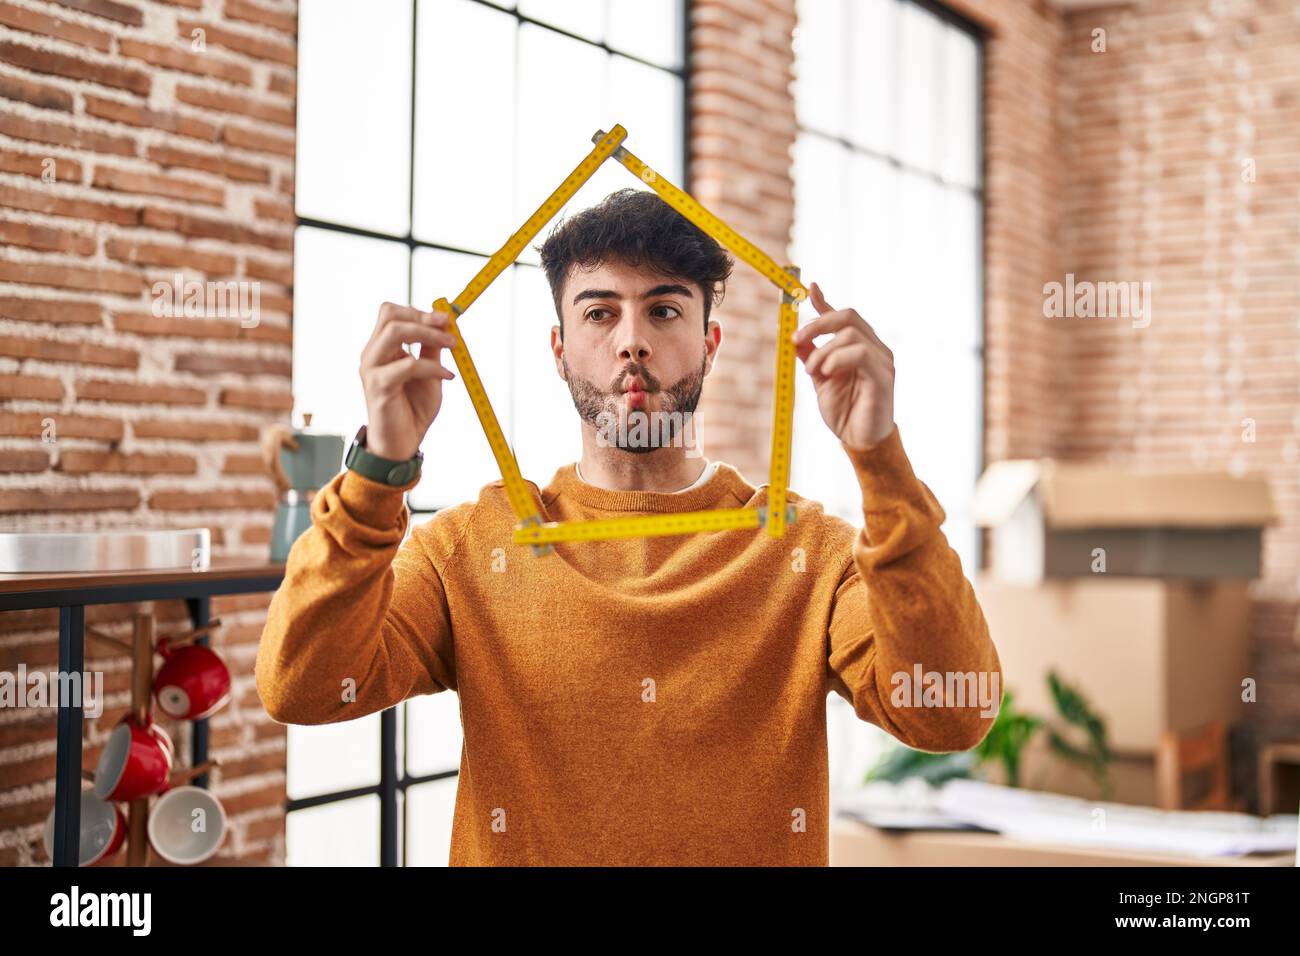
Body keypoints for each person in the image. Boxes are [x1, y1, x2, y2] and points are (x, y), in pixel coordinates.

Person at [255, 188, 1001, 866]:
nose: (632, 342)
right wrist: (378, 470)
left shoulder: (810, 552)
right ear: (559, 350)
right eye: (600, 312)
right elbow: (303, 688)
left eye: (665, 310)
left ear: (710, 343)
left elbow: (951, 714)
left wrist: (880, 460)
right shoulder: (470, 547)